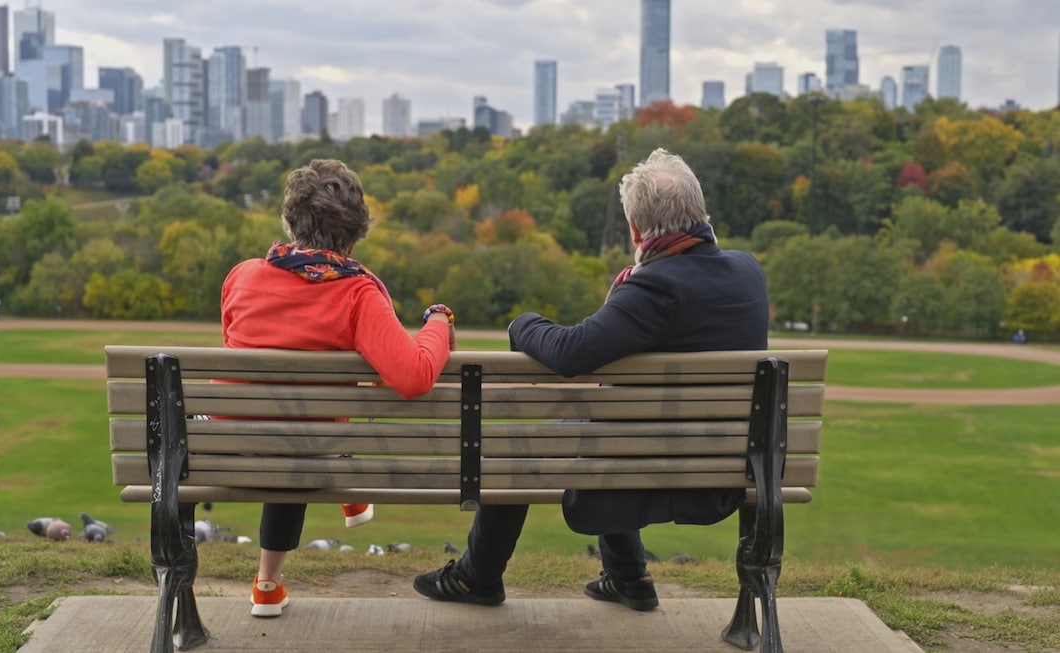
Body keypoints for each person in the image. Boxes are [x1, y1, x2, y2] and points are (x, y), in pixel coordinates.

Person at [414, 148, 769, 612]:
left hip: (654, 457)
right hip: (730, 458)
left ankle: (476, 577)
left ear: (637, 230)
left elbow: (571, 352)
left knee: (516, 448)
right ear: (700, 213)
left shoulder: (657, 287)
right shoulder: (747, 272)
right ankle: (627, 577)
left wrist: (522, 324)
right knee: (604, 427)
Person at [220, 159, 456, 618]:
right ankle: (345, 485)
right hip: (314, 449)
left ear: (291, 221)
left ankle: (268, 584)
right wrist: (438, 321)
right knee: (302, 433)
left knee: (281, 423)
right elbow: (414, 375)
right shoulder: (356, 293)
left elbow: (237, 357)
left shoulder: (242, 276)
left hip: (230, 446)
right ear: (355, 231)